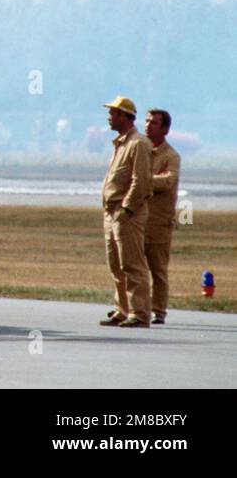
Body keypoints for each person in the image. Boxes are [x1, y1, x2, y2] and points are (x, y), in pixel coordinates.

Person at [99, 96, 152, 328]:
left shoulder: (138, 143)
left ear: (124, 116)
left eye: (113, 113)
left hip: (126, 213)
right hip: (111, 213)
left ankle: (139, 313)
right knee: (116, 264)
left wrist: (127, 208)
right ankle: (123, 309)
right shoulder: (120, 143)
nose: (109, 117)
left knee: (132, 264)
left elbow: (140, 181)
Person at [144, 108, 181, 325]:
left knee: (157, 268)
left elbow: (168, 181)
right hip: (137, 219)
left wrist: (144, 181)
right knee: (132, 266)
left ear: (165, 129)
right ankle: (134, 307)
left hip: (159, 222)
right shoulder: (141, 150)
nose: (148, 125)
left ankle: (158, 310)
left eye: (154, 123)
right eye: (147, 121)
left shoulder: (171, 156)